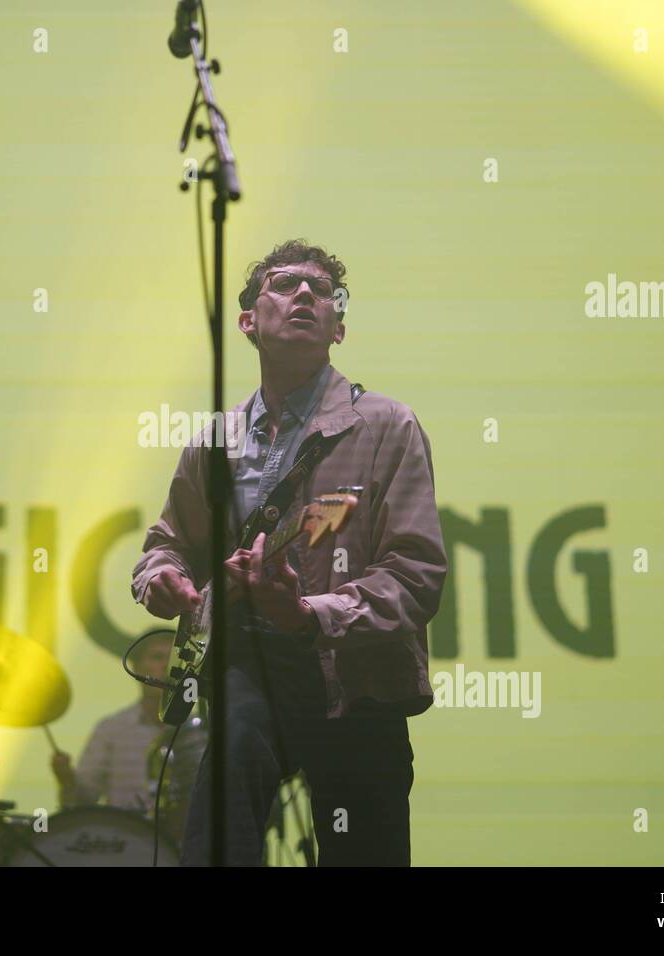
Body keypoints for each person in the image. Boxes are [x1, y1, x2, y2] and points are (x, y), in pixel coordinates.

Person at [130, 239, 448, 866]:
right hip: (251, 669)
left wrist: (308, 615)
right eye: (284, 283)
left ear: (339, 326)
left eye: (322, 290)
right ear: (249, 319)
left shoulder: (388, 426)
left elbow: (416, 576)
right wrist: (164, 579)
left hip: (359, 679)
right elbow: (166, 545)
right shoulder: (213, 442)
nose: (305, 294)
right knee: (217, 831)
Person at [50, 632, 204, 842]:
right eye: (158, 657)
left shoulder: (199, 732)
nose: (167, 666)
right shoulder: (112, 730)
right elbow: (83, 802)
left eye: (173, 659)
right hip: (123, 846)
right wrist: (66, 779)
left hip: (186, 845)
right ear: (137, 668)